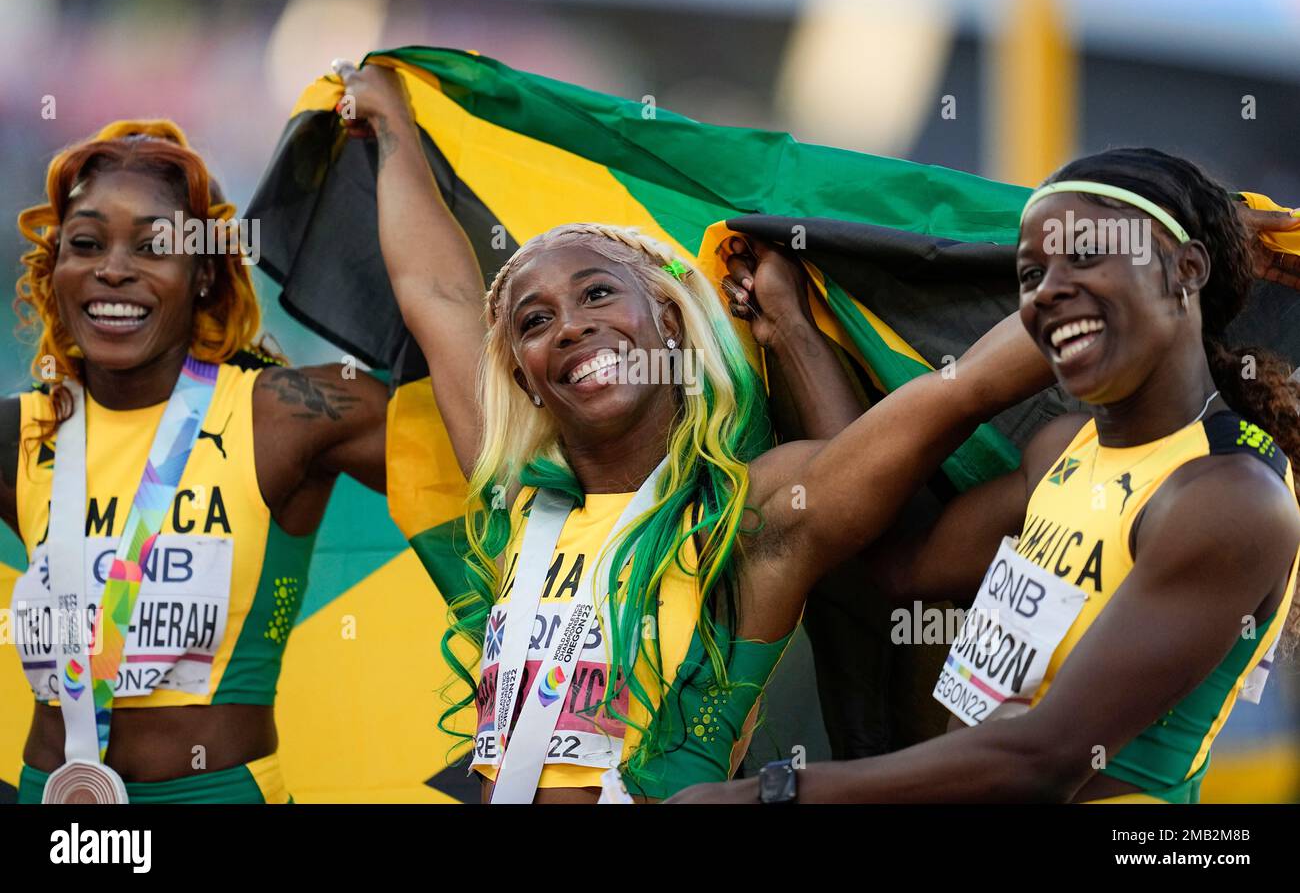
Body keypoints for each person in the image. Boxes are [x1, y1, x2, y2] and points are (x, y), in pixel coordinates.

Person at [337, 62, 1060, 803]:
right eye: (535, 321)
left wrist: (791, 329)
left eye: (597, 294)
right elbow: (436, 293)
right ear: (522, 374)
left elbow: (960, 389)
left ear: (671, 323)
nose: (572, 326)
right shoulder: (519, 502)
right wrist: (391, 120)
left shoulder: (749, 516)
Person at [669, 148, 1300, 803]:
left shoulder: (1228, 500)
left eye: (1084, 254)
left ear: (1186, 268)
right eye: (1031, 275)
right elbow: (892, 561)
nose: (1048, 289)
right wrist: (796, 331)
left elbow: (1046, 758)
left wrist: (770, 794)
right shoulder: (1063, 449)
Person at [1, 120, 388, 803]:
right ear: (54, 267)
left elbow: (493, 445)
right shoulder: (16, 432)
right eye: (85, 244)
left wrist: (401, 155)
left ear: (205, 273)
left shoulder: (287, 416)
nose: (112, 269)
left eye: (155, 247)